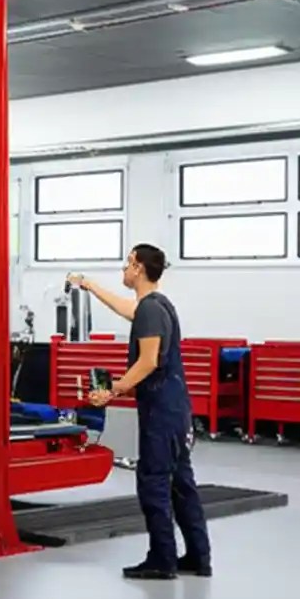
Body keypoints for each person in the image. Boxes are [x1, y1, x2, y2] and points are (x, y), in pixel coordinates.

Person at [70, 243, 212, 580]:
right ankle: (198, 557)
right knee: (182, 485)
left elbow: (148, 361)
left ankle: (162, 559)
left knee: (153, 483)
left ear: (137, 267)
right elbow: (126, 309)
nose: (123, 269)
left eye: (126, 264)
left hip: (161, 413)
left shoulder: (150, 310)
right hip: (175, 409)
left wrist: (113, 389)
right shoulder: (158, 305)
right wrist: (89, 286)